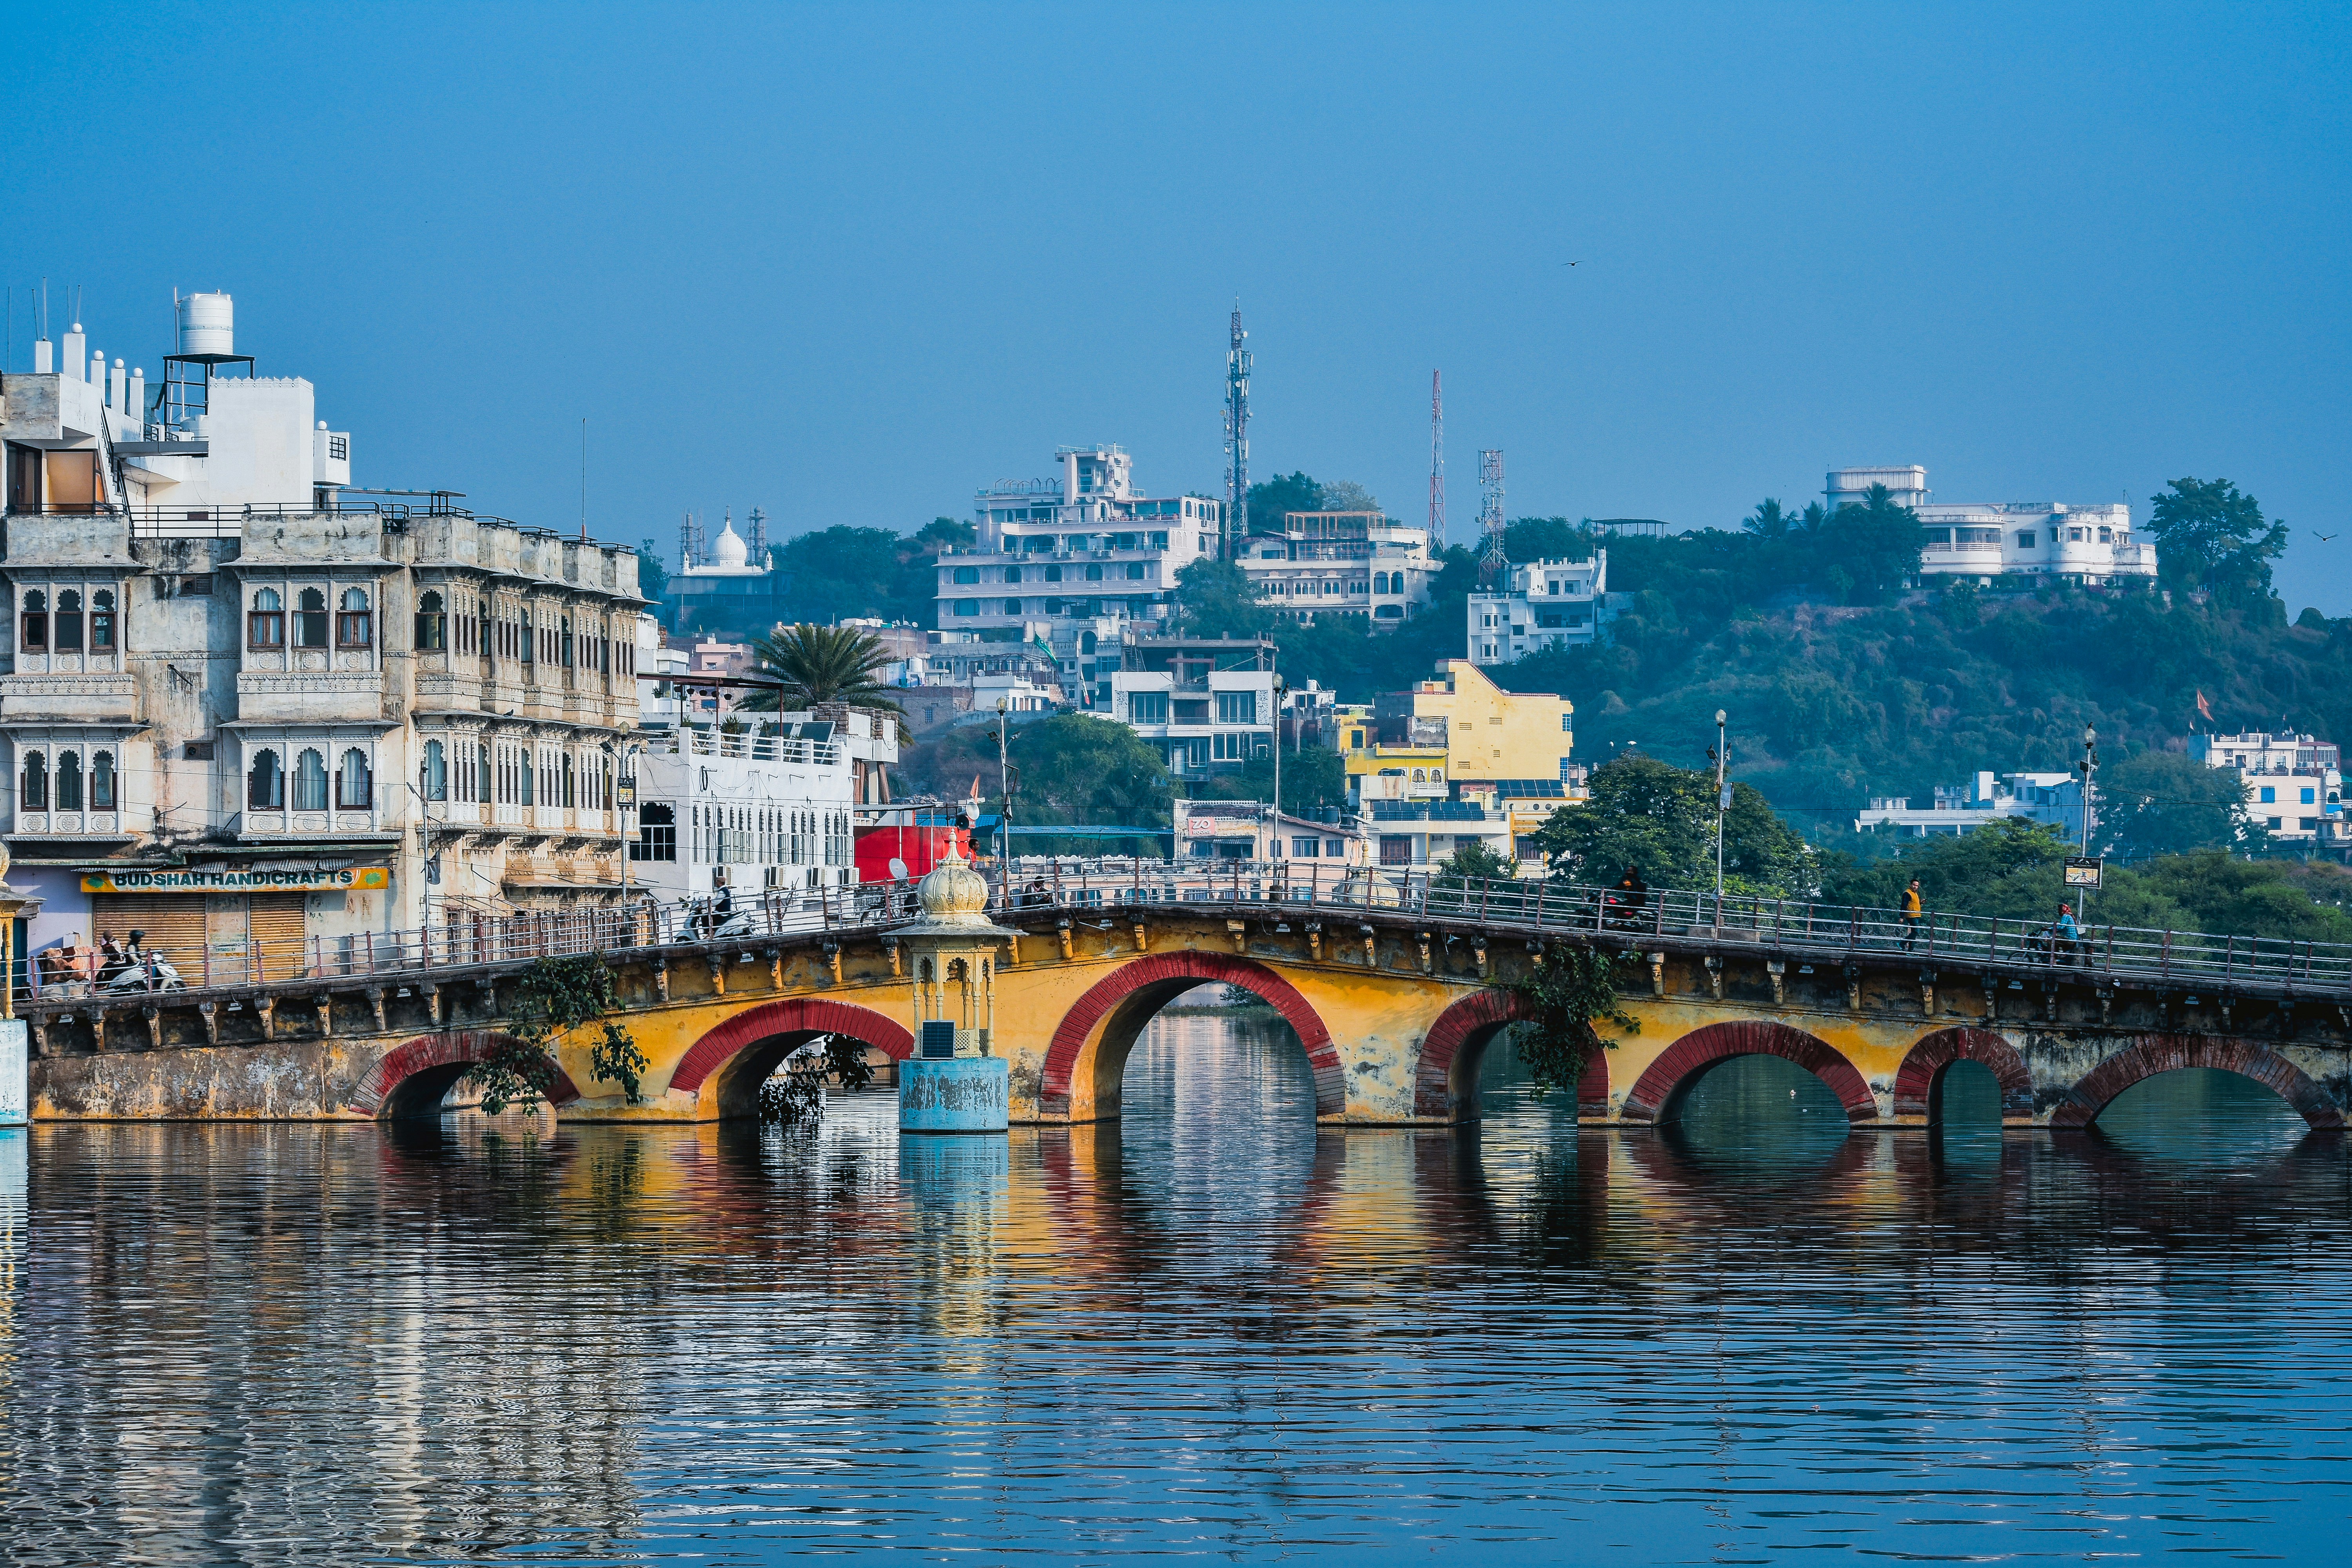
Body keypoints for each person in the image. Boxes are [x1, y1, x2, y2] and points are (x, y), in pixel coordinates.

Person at [1613, 864, 1649, 929]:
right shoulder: (1638, 880)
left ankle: (1619, 922)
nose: (1627, 872)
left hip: (1633, 901)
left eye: (1629, 870)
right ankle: (1622, 921)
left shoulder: (1629, 880)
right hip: (1639, 901)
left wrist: (1610, 889)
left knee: (1617, 905)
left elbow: (1621, 886)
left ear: (1633, 872)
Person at [2051, 902, 2083, 966]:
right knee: (2058, 939)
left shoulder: (2065, 916)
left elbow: (2061, 927)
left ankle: (2052, 959)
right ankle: (2058, 957)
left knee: (2051, 941)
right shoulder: (2070, 916)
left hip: (2069, 939)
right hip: (2072, 938)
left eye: (2060, 910)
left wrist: (2049, 929)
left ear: (2063, 911)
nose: (2059, 912)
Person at [1900, 877, 1924, 951]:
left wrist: (1920, 903)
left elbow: (1913, 904)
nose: (1915, 887)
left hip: (1916, 915)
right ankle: (1902, 943)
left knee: (1915, 933)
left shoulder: (1915, 894)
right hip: (1911, 915)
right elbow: (1904, 905)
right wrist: (1901, 917)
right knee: (1916, 932)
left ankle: (1911, 951)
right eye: (1914, 885)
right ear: (1911, 885)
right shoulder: (1908, 893)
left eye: (1917, 886)